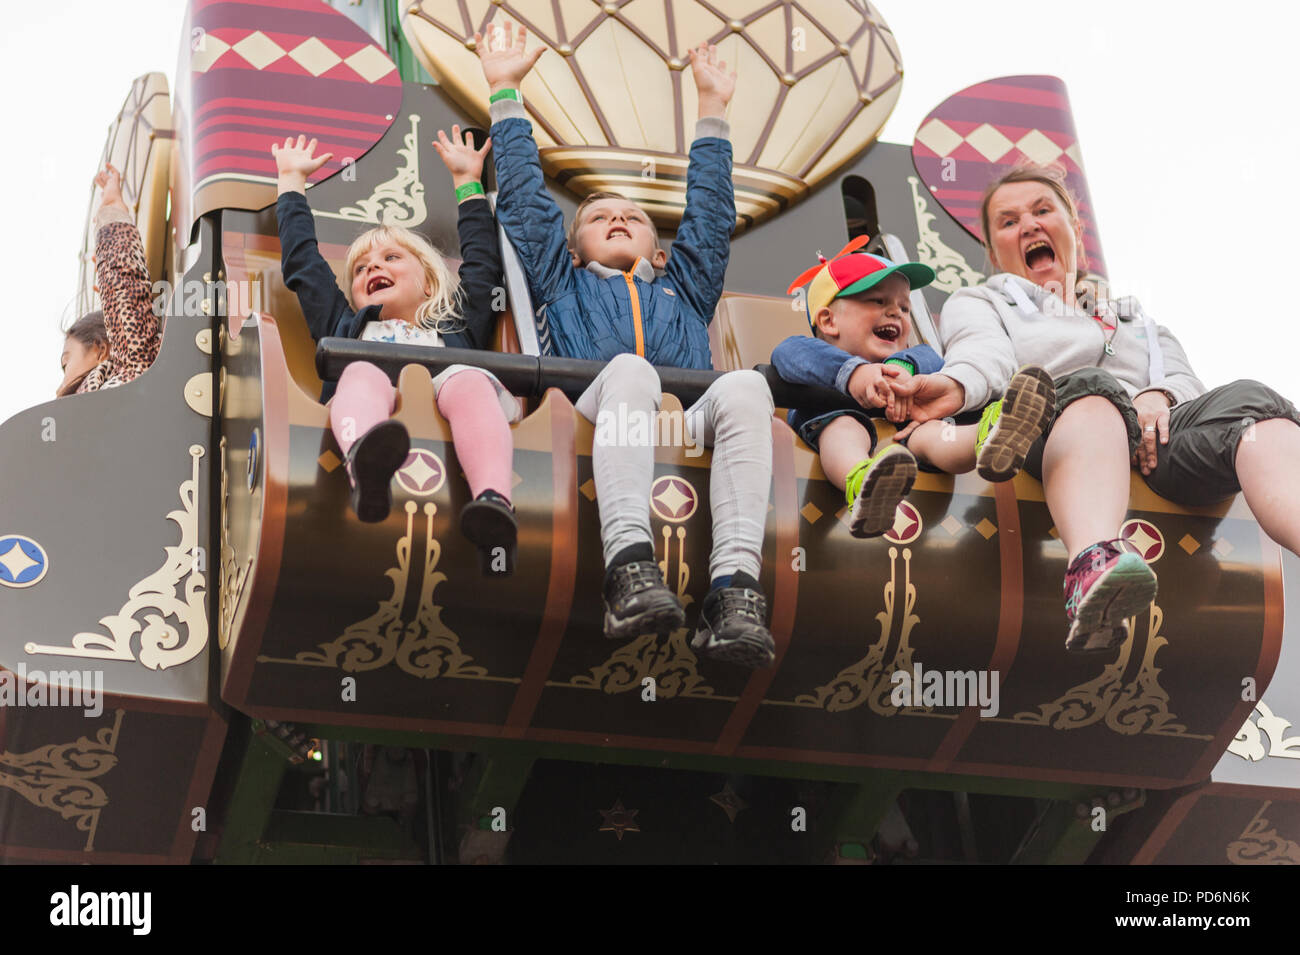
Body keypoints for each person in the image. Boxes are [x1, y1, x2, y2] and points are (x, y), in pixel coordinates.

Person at [892, 162, 1300, 652]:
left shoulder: (1131, 313)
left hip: (1156, 443)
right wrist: (956, 388)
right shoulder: (982, 299)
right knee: (1093, 388)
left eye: (1043, 210)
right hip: (1063, 426)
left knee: (1253, 404)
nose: (1028, 226)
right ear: (993, 248)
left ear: (1073, 228)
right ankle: (1093, 565)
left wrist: (1160, 395)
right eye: (1008, 221)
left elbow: (1182, 377)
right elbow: (985, 359)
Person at [478, 23, 778, 668]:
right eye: (596, 216)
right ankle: (629, 568)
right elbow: (528, 202)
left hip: (684, 419)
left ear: (659, 250)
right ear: (574, 245)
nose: (616, 217)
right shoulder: (560, 283)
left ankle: (734, 590)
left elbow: (711, 213)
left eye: (633, 216)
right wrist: (505, 90)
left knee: (749, 385)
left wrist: (713, 108)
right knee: (631, 370)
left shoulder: (686, 289)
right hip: (599, 404)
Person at [272, 131, 520, 575]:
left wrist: (468, 183)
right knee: (362, 371)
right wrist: (291, 183)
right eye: (362, 269)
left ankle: (494, 502)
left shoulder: (455, 325)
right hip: (372, 388)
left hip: (447, 386)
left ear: (429, 281)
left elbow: (483, 266)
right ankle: (365, 463)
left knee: (469, 380)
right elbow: (303, 265)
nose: (375, 268)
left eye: (391, 258)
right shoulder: (347, 327)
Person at [772, 240, 1056, 536]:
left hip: (909, 432)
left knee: (933, 434)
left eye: (905, 307)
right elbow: (788, 355)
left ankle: (992, 434)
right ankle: (864, 482)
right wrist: (854, 373)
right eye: (878, 301)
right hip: (836, 417)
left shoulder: (913, 357)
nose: (896, 312)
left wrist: (903, 371)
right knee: (843, 427)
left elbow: (930, 357)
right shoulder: (807, 350)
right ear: (828, 321)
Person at [58, 164, 160, 397]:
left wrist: (111, 206)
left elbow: (121, 281)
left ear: (100, 349)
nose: (61, 381)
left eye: (67, 363)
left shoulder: (130, 367)